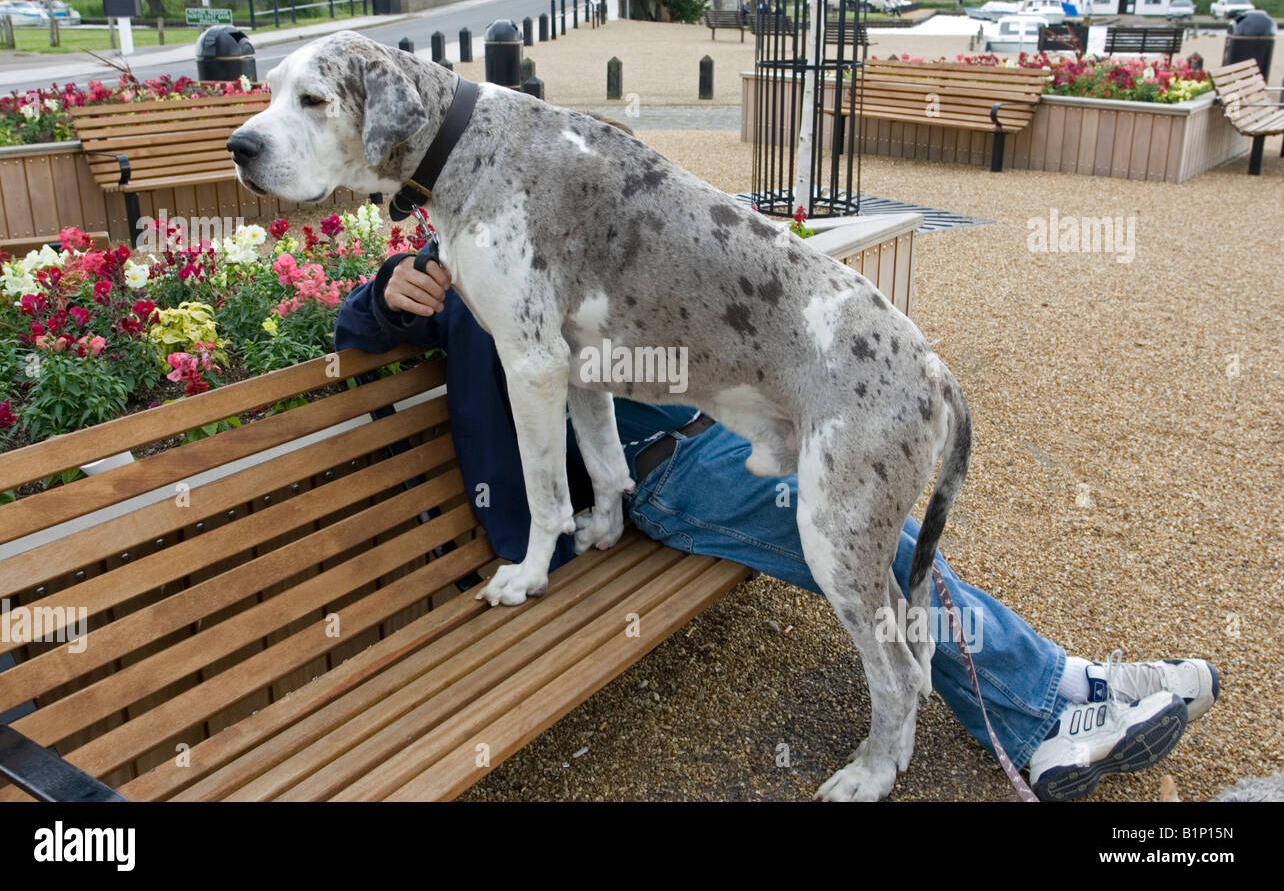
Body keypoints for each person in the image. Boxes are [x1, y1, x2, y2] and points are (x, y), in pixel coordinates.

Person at [334, 241, 1220, 801]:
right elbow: (355, 330)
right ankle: (1048, 710)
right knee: (886, 556)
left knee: (886, 546)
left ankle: (1068, 689)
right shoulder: (463, 271)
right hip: (675, 477)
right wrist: (385, 291)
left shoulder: (569, 234)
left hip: (720, 428)